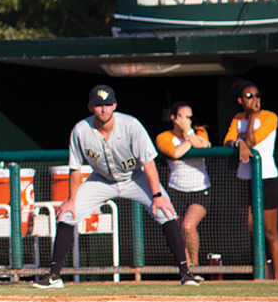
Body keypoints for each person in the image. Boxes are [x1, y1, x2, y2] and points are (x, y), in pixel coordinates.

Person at [34, 84, 198, 288]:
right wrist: (71, 199)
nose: (104, 109)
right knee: (67, 214)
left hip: (135, 177)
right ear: (90, 107)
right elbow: (75, 168)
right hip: (101, 179)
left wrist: (157, 195)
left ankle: (185, 273)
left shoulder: (131, 125)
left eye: (108, 104)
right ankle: (54, 276)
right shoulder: (81, 130)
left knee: (166, 211)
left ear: (114, 106)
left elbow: (148, 163)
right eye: (99, 105)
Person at [223, 81, 278, 280]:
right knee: (253, 232)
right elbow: (227, 141)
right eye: (249, 96)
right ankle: (262, 276)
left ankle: (276, 280)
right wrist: (238, 142)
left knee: (269, 232)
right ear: (240, 100)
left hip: (266, 178)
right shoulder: (237, 118)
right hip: (245, 179)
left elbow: (252, 141)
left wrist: (251, 119)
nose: (255, 99)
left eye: (257, 95)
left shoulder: (269, 117)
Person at [155, 102, 212, 280]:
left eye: (190, 117)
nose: (188, 120)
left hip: (200, 189)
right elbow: (175, 153)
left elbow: (203, 147)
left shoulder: (199, 131)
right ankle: (186, 270)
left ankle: (195, 266)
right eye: (184, 117)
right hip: (176, 190)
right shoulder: (164, 137)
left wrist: (189, 132)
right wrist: (191, 140)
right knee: (179, 231)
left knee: (188, 226)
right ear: (174, 118)